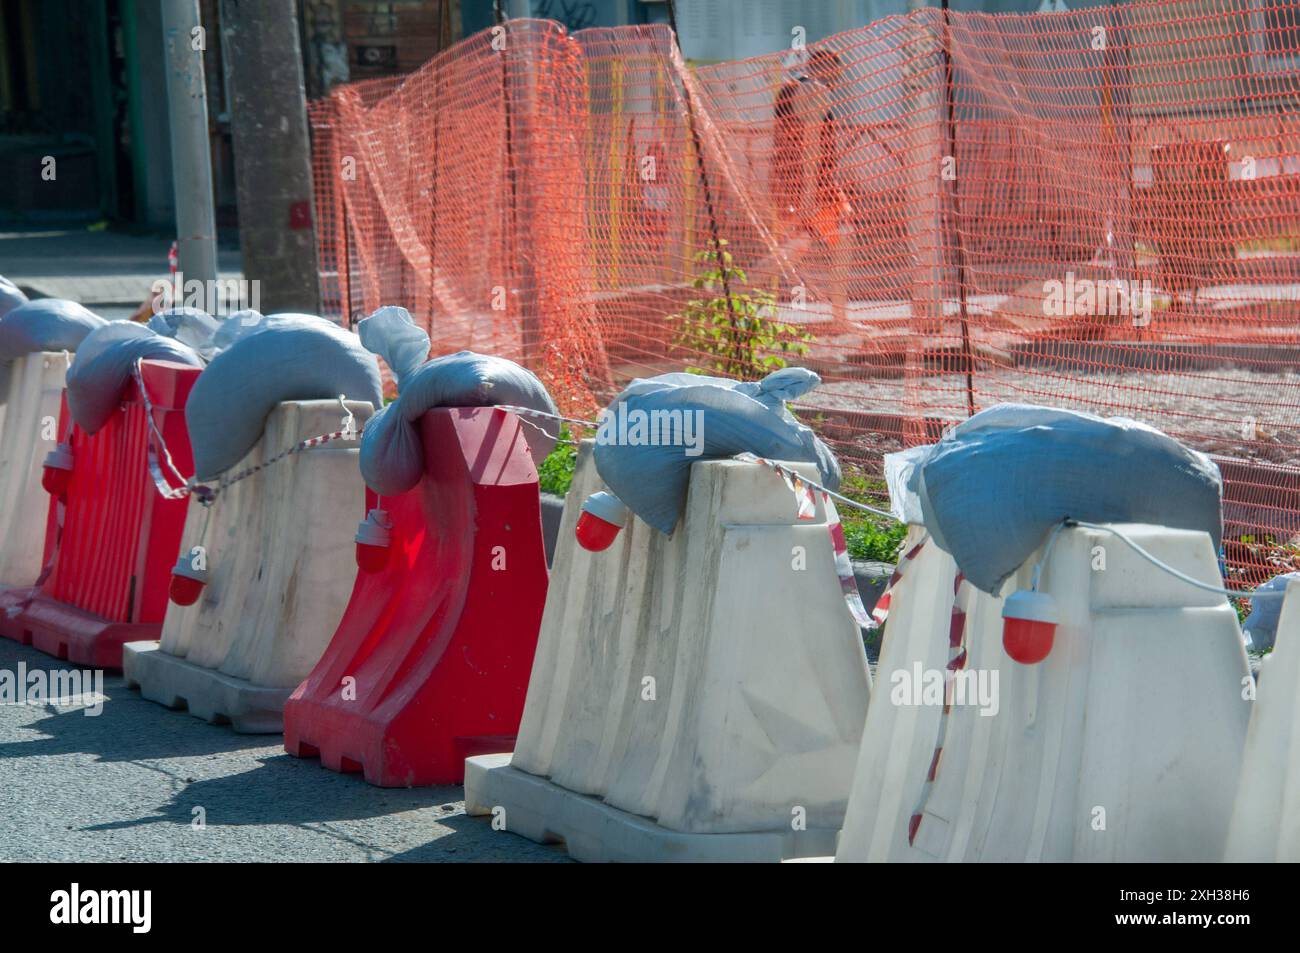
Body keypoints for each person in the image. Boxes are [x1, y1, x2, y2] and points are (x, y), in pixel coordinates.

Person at [770, 49, 853, 329]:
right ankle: (734, 291)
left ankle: (734, 294)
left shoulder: (789, 92)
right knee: (828, 239)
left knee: (801, 244)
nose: (838, 80)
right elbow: (811, 146)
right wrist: (806, 196)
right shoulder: (813, 91)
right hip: (810, 186)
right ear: (824, 68)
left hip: (792, 182)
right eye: (836, 73)